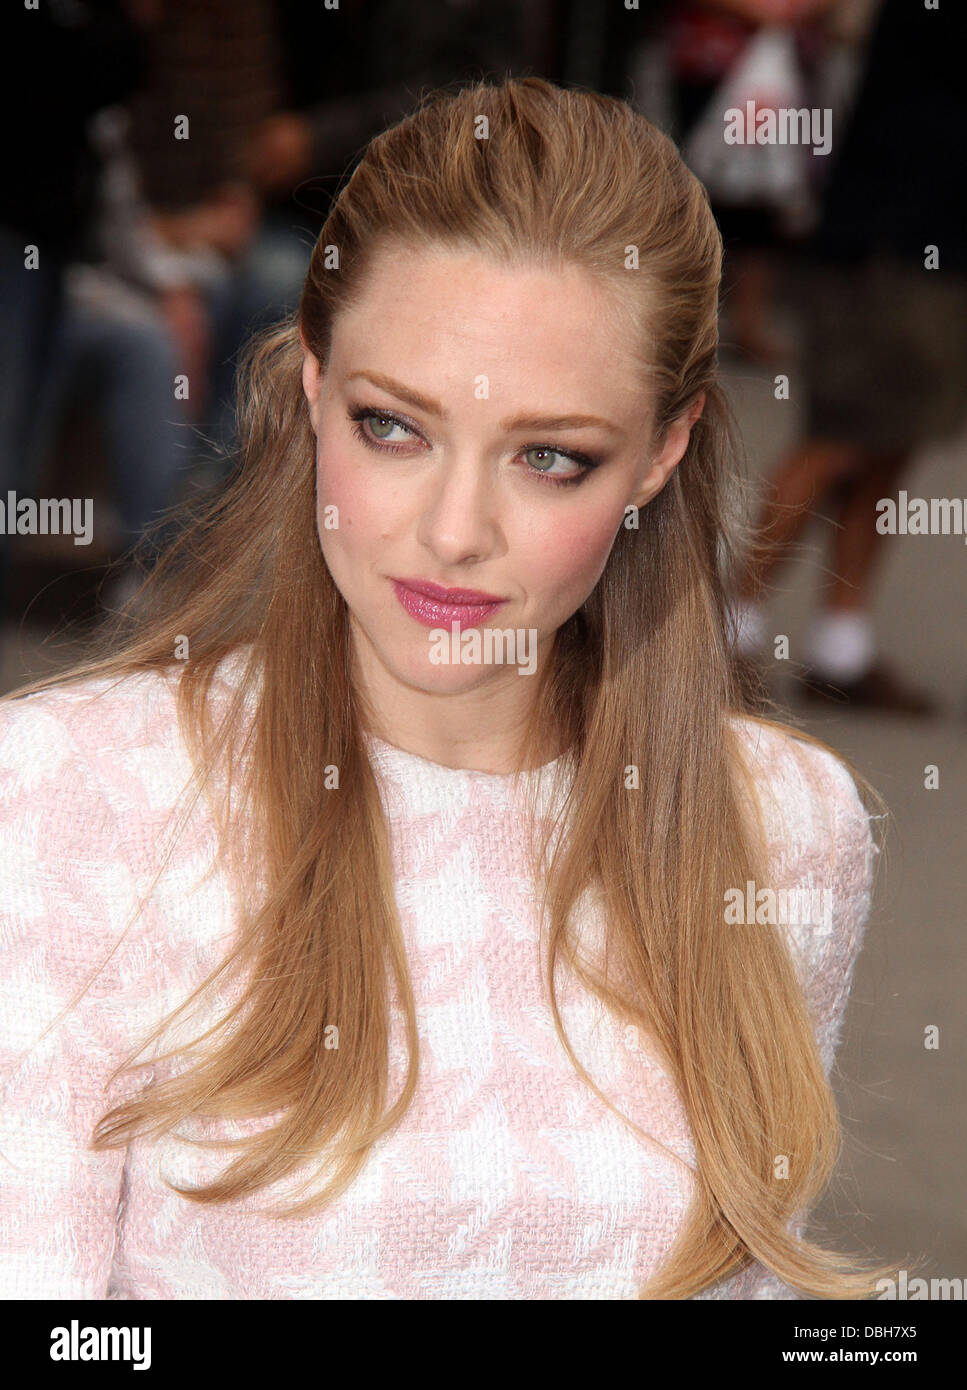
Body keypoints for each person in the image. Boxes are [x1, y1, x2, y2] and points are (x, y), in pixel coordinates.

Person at [0, 77, 897, 1300]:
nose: (453, 532)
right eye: (393, 427)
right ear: (313, 386)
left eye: (548, 457)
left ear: (663, 450)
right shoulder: (70, 792)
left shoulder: (786, 826)